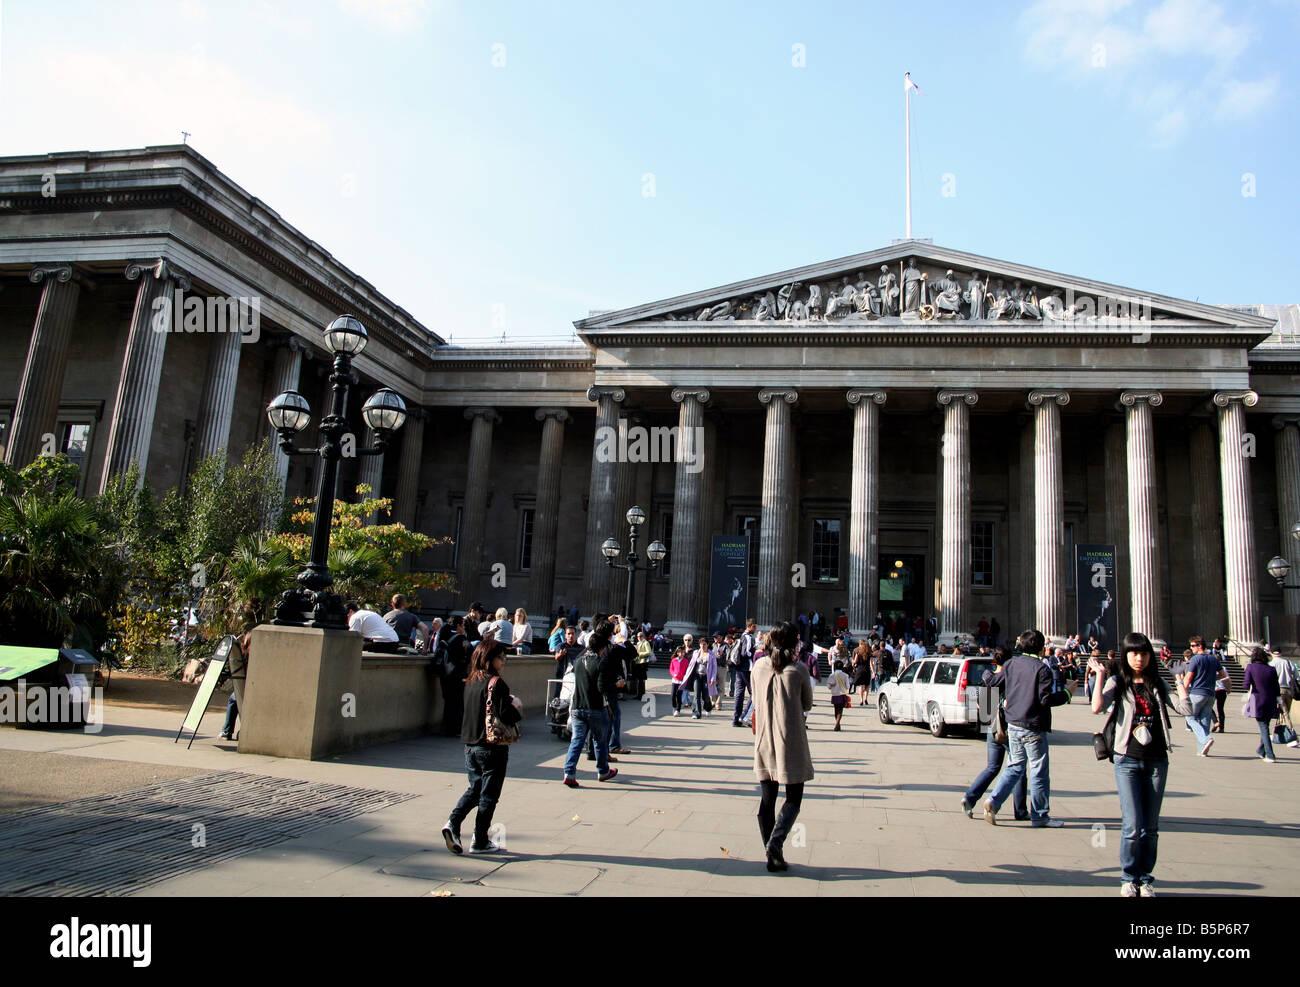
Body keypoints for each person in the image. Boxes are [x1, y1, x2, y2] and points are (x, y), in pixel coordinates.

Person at [1089, 632, 1195, 897]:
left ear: (1150, 656)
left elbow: (1186, 711)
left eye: (1144, 653)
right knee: (1133, 825)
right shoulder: (1119, 682)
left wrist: (1181, 686)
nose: (1139, 658)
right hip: (1127, 759)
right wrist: (1100, 675)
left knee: (1151, 826)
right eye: (1134, 653)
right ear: (1126, 655)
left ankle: (1145, 878)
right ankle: (1128, 877)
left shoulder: (1157, 683)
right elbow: (1097, 707)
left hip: (1157, 760)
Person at [980, 629, 1071, 827]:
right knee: (1038, 771)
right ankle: (1040, 816)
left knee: (1014, 767)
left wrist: (985, 671)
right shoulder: (1041, 669)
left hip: (1012, 724)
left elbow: (993, 682)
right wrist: (1066, 694)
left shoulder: (1011, 664)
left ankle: (993, 801)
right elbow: (1045, 699)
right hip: (1032, 726)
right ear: (1042, 648)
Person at [441, 636, 521, 855]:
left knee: (475, 790)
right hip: (492, 746)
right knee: (489, 795)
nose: (504, 660)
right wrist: (515, 705)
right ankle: (480, 839)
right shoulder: (496, 682)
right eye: (500, 657)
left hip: (470, 744)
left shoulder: (471, 680)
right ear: (489, 658)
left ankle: (453, 823)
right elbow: (507, 714)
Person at [751, 620, 814, 872]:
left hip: (764, 740)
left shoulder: (758, 667)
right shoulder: (798, 670)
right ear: (792, 643)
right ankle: (775, 844)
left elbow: (754, 698)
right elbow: (807, 704)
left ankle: (771, 854)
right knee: (794, 799)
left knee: (767, 801)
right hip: (790, 742)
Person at [961, 646, 1028, 821]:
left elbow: (981, 707)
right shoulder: (1010, 679)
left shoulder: (987, 676)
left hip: (992, 728)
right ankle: (1020, 811)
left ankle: (969, 798)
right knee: (1018, 768)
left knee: (992, 768)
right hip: (1009, 728)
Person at [562, 619, 621, 786]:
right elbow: (602, 686)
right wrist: (616, 684)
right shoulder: (600, 662)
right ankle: (603, 771)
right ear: (601, 648)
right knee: (600, 740)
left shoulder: (579, 661)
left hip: (577, 707)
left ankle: (569, 772)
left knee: (577, 740)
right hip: (594, 707)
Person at [1182, 636, 1227, 756]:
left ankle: (1206, 739)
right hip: (1211, 694)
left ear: (1199, 646)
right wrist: (1212, 678)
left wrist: (1182, 690)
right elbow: (1223, 675)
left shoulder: (1195, 659)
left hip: (1197, 693)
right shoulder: (1213, 659)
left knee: (1190, 718)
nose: (1191, 649)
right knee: (1204, 720)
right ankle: (1202, 750)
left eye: (1192, 646)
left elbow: (1188, 678)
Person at [1243, 646, 1281, 763]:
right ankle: (1261, 750)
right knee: (1265, 725)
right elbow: (1276, 687)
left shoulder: (1251, 667)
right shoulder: (1271, 669)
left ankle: (1270, 754)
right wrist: (1279, 700)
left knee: (1263, 727)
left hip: (1257, 700)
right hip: (1271, 700)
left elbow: (1246, 684)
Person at [438, 616, 472, 736]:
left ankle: (446, 727)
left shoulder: (443, 634)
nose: (464, 628)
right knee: (458, 701)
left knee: (448, 701)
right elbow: (470, 653)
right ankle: (456, 728)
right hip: (458, 672)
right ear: (458, 626)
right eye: (463, 625)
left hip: (445, 672)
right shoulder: (461, 639)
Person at [731, 619, 759, 727]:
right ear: (750, 626)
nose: (755, 629)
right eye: (754, 627)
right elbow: (745, 653)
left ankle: (736, 718)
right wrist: (753, 651)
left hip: (739, 668)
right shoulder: (748, 637)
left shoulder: (741, 636)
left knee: (739, 693)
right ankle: (744, 716)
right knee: (754, 692)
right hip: (746, 668)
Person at [683, 635, 718, 719]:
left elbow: (714, 667)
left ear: (707, 644)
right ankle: (696, 713)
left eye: (704, 644)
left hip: (707, 676)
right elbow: (691, 663)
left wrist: (713, 678)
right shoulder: (696, 653)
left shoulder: (711, 654)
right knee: (696, 695)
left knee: (706, 695)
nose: (703, 646)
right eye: (701, 644)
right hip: (697, 676)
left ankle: (708, 708)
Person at [827, 660, 851, 731]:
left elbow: (828, 686)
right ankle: (837, 724)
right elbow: (848, 686)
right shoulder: (845, 675)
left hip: (835, 694)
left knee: (836, 710)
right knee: (840, 710)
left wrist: (832, 685)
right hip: (842, 694)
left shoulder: (832, 675)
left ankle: (837, 724)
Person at [669, 640, 690, 715]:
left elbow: (688, 669)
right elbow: (671, 669)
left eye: (683, 652)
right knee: (673, 695)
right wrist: (673, 674)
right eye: (680, 652)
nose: (681, 654)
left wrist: (685, 677)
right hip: (675, 680)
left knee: (679, 695)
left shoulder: (685, 661)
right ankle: (674, 707)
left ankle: (678, 709)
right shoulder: (674, 660)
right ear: (677, 653)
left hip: (682, 680)